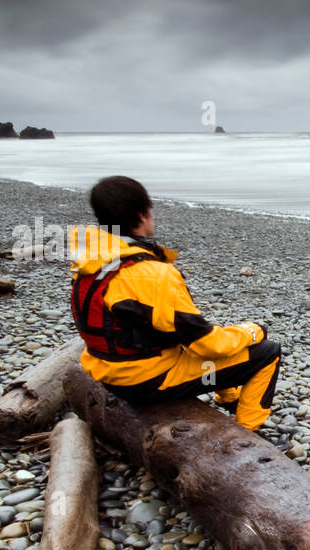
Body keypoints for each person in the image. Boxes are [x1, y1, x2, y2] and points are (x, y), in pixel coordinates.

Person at [68, 175, 281, 431]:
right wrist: (253, 331)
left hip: (105, 371)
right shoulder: (151, 274)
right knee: (267, 352)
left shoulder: (92, 262)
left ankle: (230, 397)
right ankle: (248, 431)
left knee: (210, 340)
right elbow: (208, 345)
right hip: (145, 382)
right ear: (143, 214)